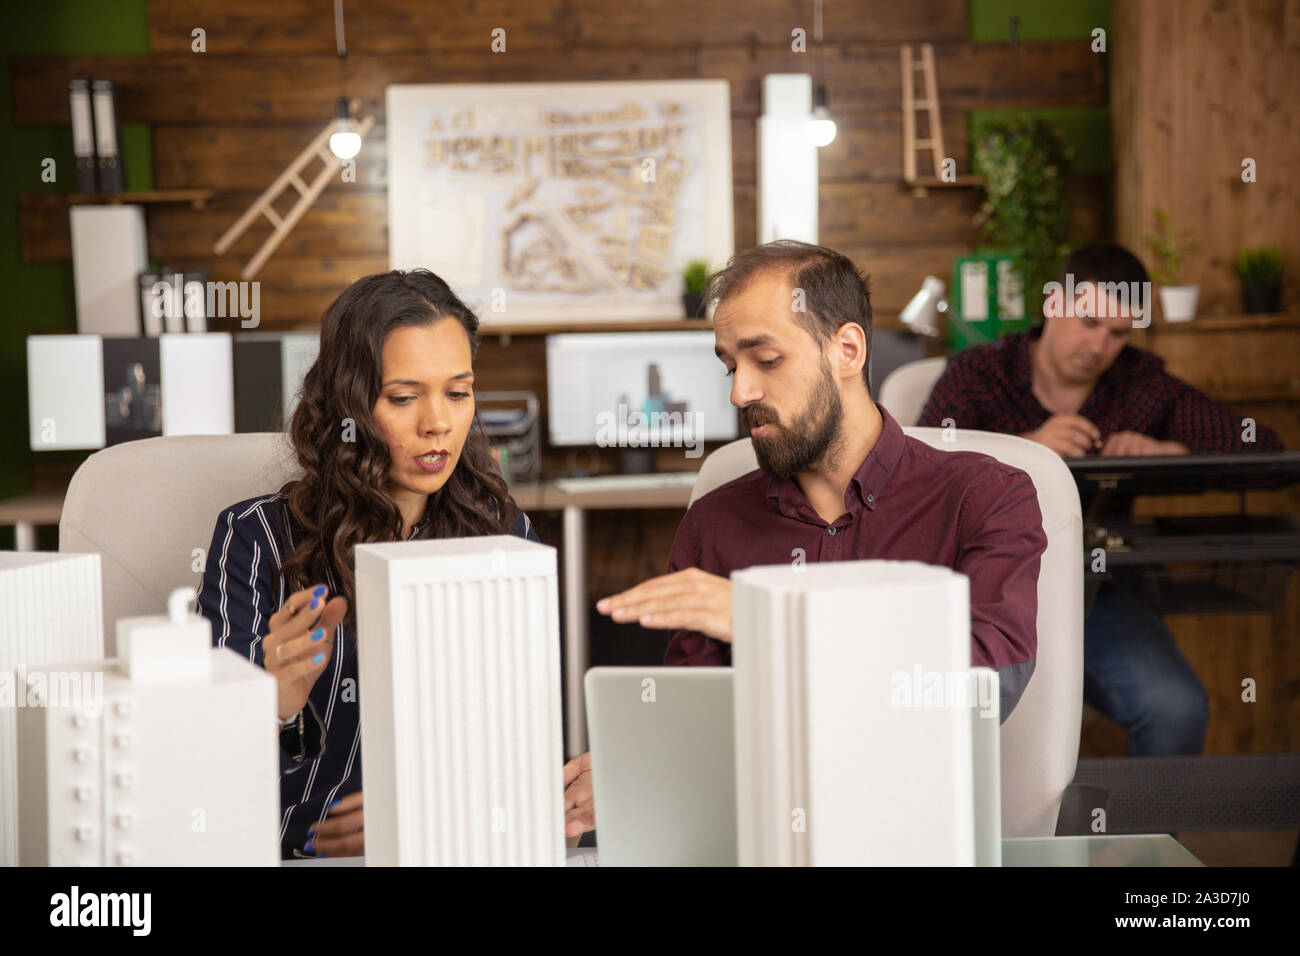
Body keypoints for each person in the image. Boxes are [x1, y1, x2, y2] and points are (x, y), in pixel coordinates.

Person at [196, 270, 594, 859]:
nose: (437, 423)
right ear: (346, 406)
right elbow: (199, 774)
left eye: (458, 393)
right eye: (403, 398)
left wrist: (561, 795)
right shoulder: (254, 537)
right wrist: (270, 706)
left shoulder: (503, 533)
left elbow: (526, 736)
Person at [596, 240, 1047, 721]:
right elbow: (695, 719)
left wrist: (772, 622)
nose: (739, 392)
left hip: (911, 793)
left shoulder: (986, 498)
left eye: (767, 360)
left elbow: (985, 687)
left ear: (847, 351)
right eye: (730, 367)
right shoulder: (712, 523)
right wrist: (638, 767)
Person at [917, 242, 1284, 755]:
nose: (1098, 345)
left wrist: (1166, 449)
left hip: (1097, 597)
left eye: (1117, 333)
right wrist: (1025, 448)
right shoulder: (979, 373)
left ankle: (1151, 840)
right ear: (1052, 305)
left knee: (1176, 708)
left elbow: (1258, 444)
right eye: (1087, 321)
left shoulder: (1139, 384)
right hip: (981, 593)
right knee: (956, 715)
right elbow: (918, 470)